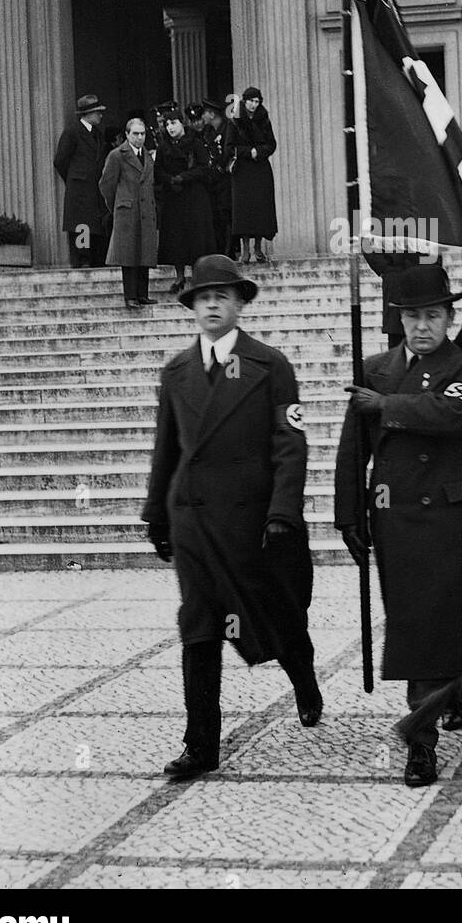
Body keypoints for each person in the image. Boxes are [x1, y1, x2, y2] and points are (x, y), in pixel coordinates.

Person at [142, 254, 321, 780]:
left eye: (223, 295)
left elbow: (291, 444)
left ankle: (304, 680)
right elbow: (165, 448)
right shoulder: (176, 372)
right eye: (203, 297)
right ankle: (200, 745)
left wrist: (283, 511)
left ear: (240, 303)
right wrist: (157, 513)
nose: (213, 304)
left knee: (279, 616)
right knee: (199, 629)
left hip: (253, 525)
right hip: (195, 523)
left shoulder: (271, 365)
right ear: (192, 306)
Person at [334, 263, 462, 788]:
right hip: (394, 513)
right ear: (398, 319)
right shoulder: (374, 368)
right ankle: (436, 716)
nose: (422, 326)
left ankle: (424, 727)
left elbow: (451, 415)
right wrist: (348, 514)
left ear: (450, 317)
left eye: (432, 315)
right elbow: (352, 449)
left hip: (451, 513)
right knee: (411, 622)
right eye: (412, 316)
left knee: (448, 616)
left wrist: (388, 406)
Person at [154, 106, 216, 293]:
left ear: (182, 123)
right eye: (167, 124)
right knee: (176, 237)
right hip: (173, 197)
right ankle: (179, 275)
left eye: (173, 123)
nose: (170, 127)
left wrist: (184, 177)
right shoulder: (164, 146)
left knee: (197, 236)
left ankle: (199, 274)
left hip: (194, 196)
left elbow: (204, 168)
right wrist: (170, 180)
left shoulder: (196, 143)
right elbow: (158, 171)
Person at [99, 117, 157, 310]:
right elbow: (106, 184)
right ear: (127, 134)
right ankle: (130, 295)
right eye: (135, 134)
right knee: (129, 254)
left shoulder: (147, 155)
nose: (140, 138)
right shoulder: (117, 155)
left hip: (145, 210)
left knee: (144, 253)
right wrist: (118, 205)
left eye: (142, 134)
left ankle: (142, 294)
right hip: (128, 210)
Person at [53, 93, 108, 267]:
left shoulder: (98, 135)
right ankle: (82, 260)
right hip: (80, 191)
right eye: (97, 112)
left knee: (95, 227)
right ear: (88, 113)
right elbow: (60, 160)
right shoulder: (72, 132)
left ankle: (94, 260)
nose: (100, 115)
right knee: (81, 227)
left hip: (96, 190)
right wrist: (73, 179)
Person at [224, 86, 278, 264]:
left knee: (261, 209)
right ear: (244, 101)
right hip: (243, 170)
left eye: (257, 101)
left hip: (261, 169)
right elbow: (230, 147)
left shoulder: (264, 119)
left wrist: (259, 152)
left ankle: (258, 247)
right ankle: (245, 249)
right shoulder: (235, 120)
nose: (253, 105)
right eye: (251, 101)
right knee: (244, 210)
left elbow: (271, 144)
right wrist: (249, 152)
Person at [201, 97, 233, 254]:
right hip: (212, 180)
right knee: (215, 216)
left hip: (225, 179)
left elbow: (229, 151)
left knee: (226, 214)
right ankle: (218, 250)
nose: (202, 117)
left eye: (205, 114)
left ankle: (228, 251)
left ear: (211, 114)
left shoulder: (227, 128)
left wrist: (222, 167)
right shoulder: (207, 132)